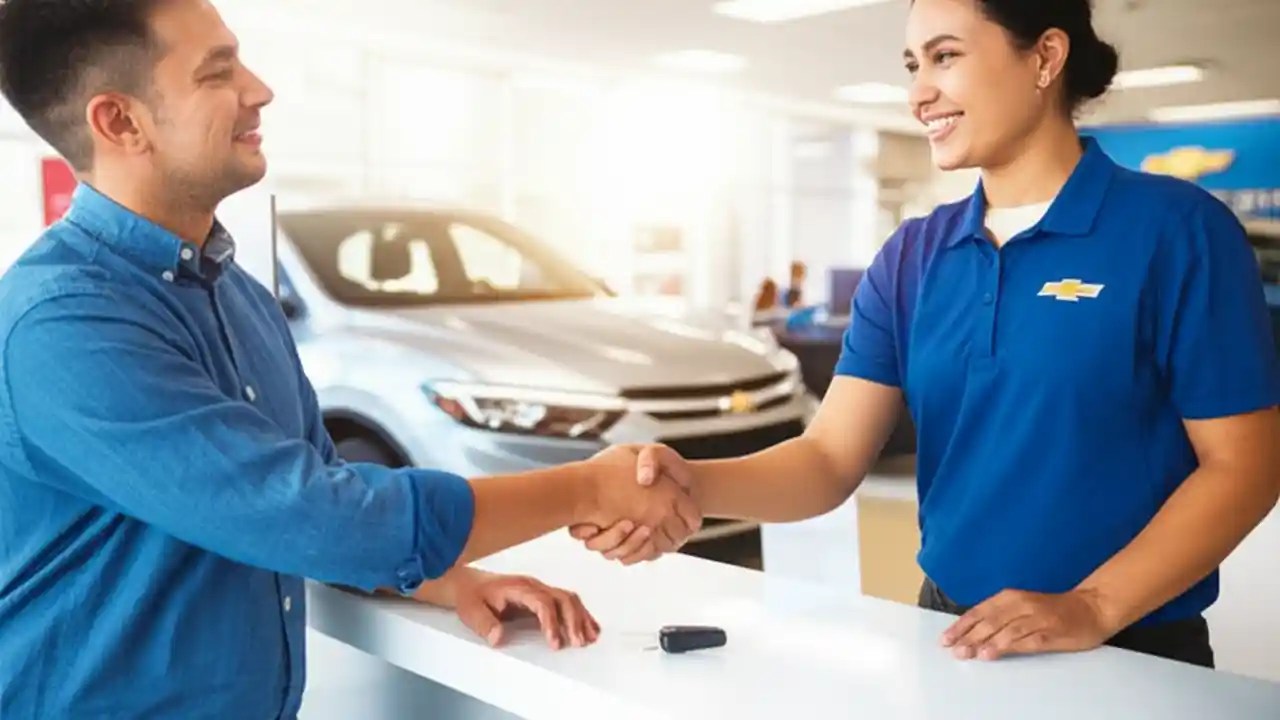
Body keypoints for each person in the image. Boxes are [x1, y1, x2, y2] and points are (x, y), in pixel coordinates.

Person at [0, 1, 698, 717]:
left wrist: (446, 582)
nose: (259, 88)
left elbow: (312, 491)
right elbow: (317, 515)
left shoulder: (236, 295)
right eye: (218, 73)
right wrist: (583, 490)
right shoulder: (60, 323)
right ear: (121, 122)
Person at [574, 0, 1280, 669]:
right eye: (913, 65)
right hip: (952, 629)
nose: (920, 94)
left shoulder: (1177, 230)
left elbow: (1244, 466)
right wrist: (692, 483)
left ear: (1045, 57)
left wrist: (1094, 606)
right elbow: (826, 460)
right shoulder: (913, 254)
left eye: (945, 57)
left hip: (1132, 642)